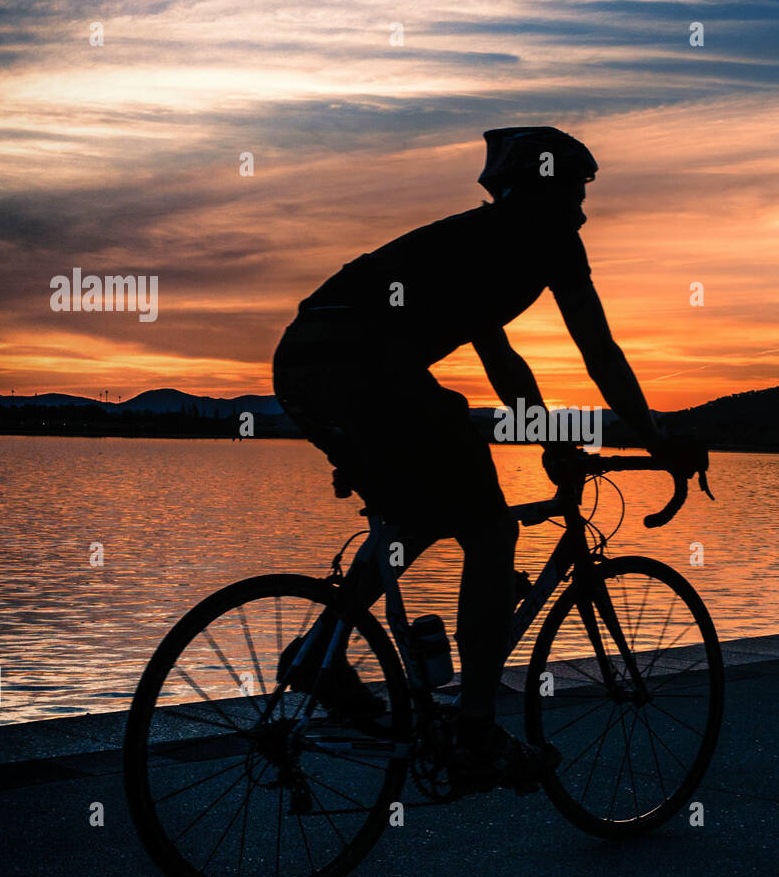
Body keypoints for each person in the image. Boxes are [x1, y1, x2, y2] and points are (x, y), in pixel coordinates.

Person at [272, 126, 667, 795]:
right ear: (543, 191)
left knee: (417, 514)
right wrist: (659, 439)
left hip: (302, 363)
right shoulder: (546, 243)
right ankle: (476, 730)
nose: (582, 212)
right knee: (491, 529)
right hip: (361, 365)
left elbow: (504, 362)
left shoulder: (477, 241)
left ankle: (321, 652)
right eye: (575, 193)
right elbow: (600, 354)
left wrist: (548, 440)